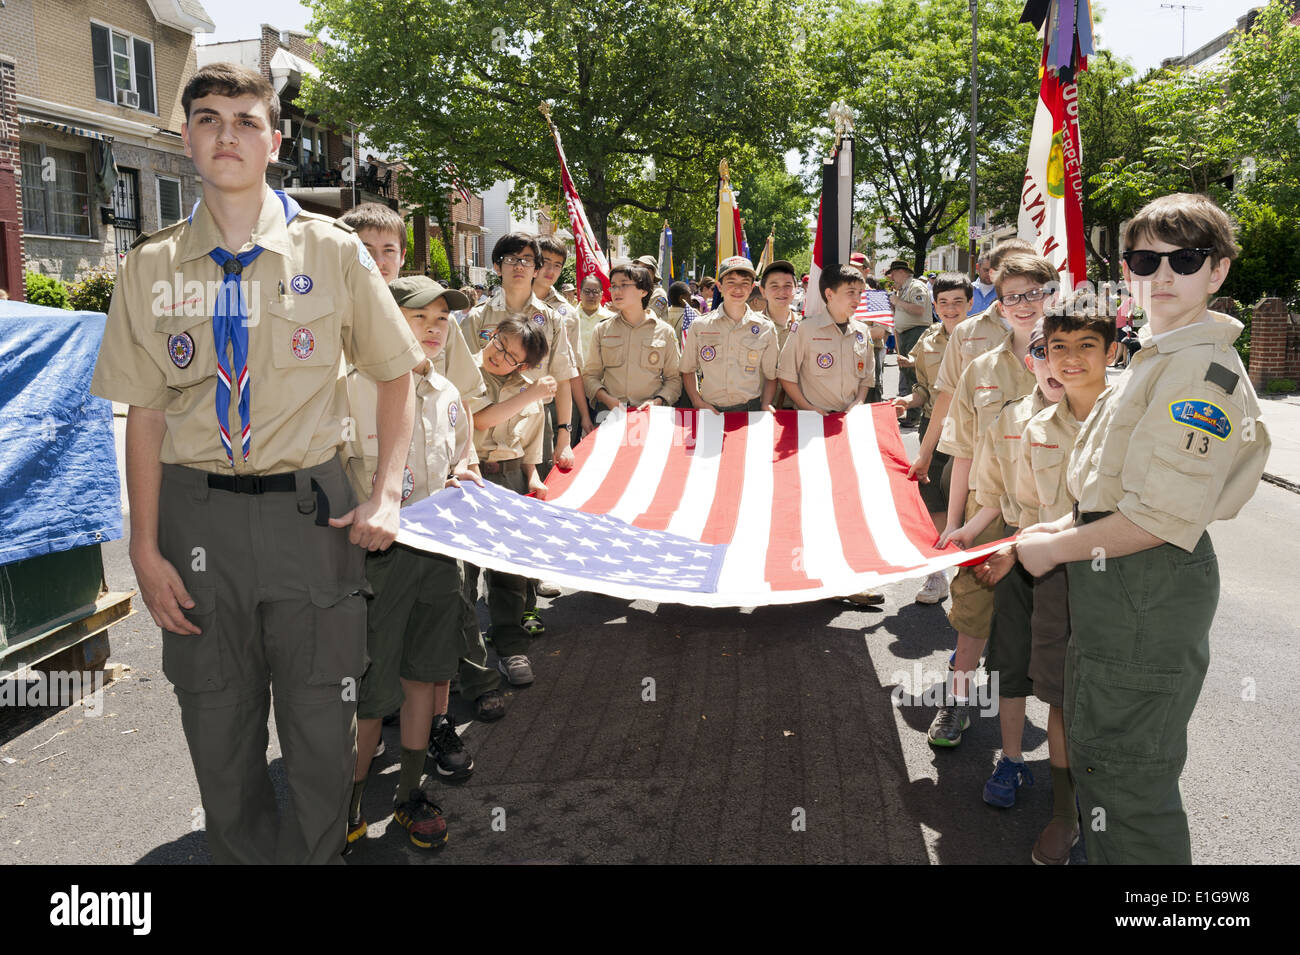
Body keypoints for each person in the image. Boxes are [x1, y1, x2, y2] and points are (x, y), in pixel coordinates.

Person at [89, 62, 423, 864]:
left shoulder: (334, 254)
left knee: (317, 727)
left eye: (245, 120)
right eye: (208, 119)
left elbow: (396, 372)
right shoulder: (150, 268)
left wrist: (385, 494)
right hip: (195, 513)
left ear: (275, 141)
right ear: (185, 138)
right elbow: (144, 413)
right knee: (216, 723)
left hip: (312, 515)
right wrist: (142, 546)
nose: (226, 134)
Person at [1013, 193, 1271, 864]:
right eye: (1143, 257)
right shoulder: (1158, 357)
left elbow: (1156, 517)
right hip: (1115, 568)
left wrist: (1052, 548)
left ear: (1217, 271)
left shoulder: (1199, 373)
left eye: (1184, 258)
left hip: (1144, 576)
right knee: (1101, 756)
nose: (1160, 274)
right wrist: (1060, 531)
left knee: (1127, 779)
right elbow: (1106, 489)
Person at [341, 202, 504, 721]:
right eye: (364, 250)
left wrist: (468, 465)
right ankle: (375, 727)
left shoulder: (430, 313)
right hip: (366, 522)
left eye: (387, 250)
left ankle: (455, 701)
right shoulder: (326, 321)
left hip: (434, 511)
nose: (376, 260)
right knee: (372, 641)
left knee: (450, 609)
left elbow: (456, 405)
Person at [977, 295, 1118, 864]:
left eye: (1087, 346)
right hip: (1055, 582)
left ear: (1113, 351)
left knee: (1115, 702)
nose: (1069, 359)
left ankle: (1113, 809)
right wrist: (1015, 550)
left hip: (1124, 578)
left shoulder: (1129, 415)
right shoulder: (1036, 428)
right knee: (1061, 698)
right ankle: (1066, 813)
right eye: (1057, 347)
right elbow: (1034, 511)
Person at [345, 276, 481, 851]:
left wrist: (466, 475)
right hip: (378, 562)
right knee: (374, 690)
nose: (433, 327)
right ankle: (346, 806)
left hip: (438, 557)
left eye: (442, 319)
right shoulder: (352, 388)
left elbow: (465, 454)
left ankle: (408, 795)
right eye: (419, 316)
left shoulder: (448, 394)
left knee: (426, 674)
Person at [928, 252, 1055, 747]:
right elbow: (960, 452)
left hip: (1048, 516)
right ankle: (957, 702)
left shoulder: (1072, 362)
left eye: (1034, 293)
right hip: (987, 514)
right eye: (1012, 297)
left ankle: (1042, 723)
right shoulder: (980, 367)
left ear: (1052, 294)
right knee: (973, 616)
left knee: (1038, 622)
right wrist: (954, 524)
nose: (1024, 305)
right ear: (998, 307)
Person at [777, 262, 881, 606]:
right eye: (850, 292)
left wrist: (858, 404)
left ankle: (846, 578)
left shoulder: (863, 331)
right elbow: (786, 375)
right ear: (829, 294)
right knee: (812, 503)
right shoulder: (805, 330)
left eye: (860, 292)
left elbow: (867, 380)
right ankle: (807, 573)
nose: (857, 298)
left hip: (847, 429)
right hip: (810, 429)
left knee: (848, 505)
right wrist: (807, 408)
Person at [905, 238, 1035, 492]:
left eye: (1029, 267)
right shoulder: (969, 331)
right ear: (994, 274)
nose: (1021, 276)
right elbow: (947, 393)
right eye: (1012, 268)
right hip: (978, 452)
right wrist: (925, 452)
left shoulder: (1055, 327)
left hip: (1036, 456)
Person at [469, 315, 554, 687]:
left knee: (509, 573)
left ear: (524, 365)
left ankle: (510, 646)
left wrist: (532, 475)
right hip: (466, 478)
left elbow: (532, 437)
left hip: (509, 476)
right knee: (461, 576)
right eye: (497, 342)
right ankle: (465, 661)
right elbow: (481, 420)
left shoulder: (528, 388)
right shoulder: (465, 368)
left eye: (509, 354)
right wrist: (531, 394)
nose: (496, 354)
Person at [892, 272, 972, 605]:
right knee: (934, 500)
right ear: (935, 306)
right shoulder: (927, 341)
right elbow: (925, 390)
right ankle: (937, 575)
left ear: (970, 303)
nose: (950, 309)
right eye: (944, 303)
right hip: (933, 430)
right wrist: (908, 401)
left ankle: (970, 580)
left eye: (958, 302)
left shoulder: (987, 337)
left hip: (972, 434)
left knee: (972, 503)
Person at [584, 261, 682, 418]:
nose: (616, 291)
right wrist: (607, 399)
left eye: (624, 284)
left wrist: (657, 401)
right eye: (613, 285)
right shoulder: (602, 330)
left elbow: (674, 380)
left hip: (652, 414)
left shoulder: (664, 332)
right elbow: (590, 376)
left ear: (643, 291)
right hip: (609, 412)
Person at [681, 256, 779, 413]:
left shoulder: (765, 327)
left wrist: (766, 403)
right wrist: (696, 401)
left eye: (744, 283)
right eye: (731, 282)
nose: (738, 289)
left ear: (752, 287)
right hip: (710, 410)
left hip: (750, 410)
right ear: (719, 286)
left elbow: (771, 375)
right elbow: (687, 369)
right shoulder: (700, 326)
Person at [887, 259, 932, 428]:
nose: (891, 277)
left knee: (914, 373)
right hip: (906, 334)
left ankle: (916, 415)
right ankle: (914, 414)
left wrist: (898, 303)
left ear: (902, 272)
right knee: (907, 372)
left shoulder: (915, 286)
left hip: (916, 332)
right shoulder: (904, 289)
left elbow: (919, 309)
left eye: (893, 273)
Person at [758, 260, 801, 409]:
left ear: (795, 289)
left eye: (787, 286)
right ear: (763, 291)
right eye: (774, 286)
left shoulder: (806, 326)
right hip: (760, 409)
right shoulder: (751, 326)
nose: (782, 292)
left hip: (798, 409)